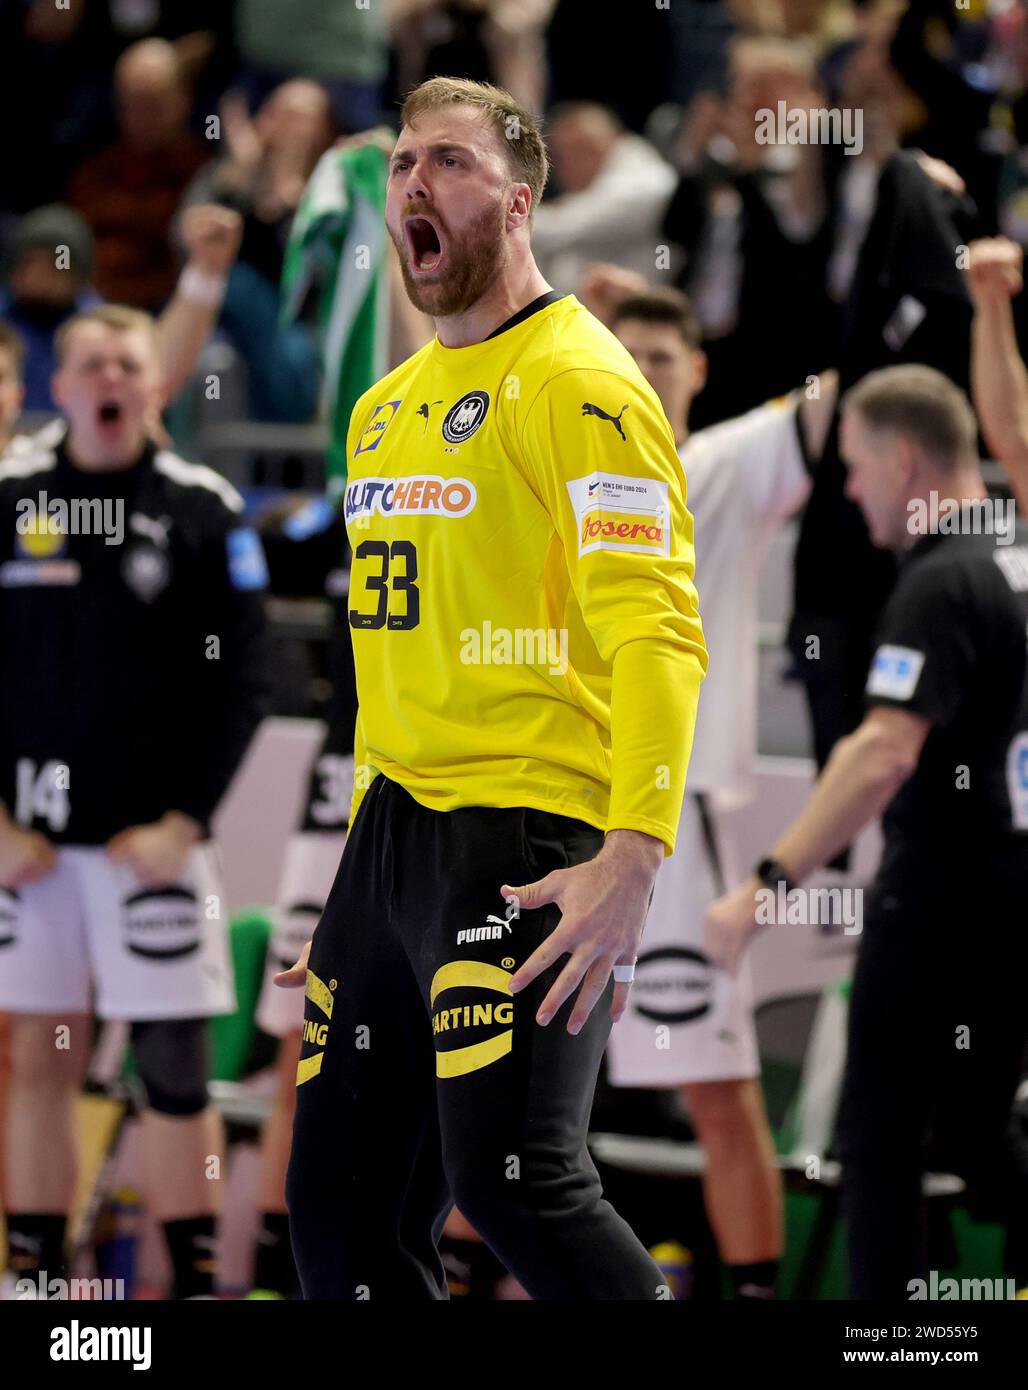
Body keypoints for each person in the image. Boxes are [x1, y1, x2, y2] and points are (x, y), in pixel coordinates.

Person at [274, 75, 707, 1301]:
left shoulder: (580, 380)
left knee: (518, 1181)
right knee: (338, 1221)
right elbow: (383, 657)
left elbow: (657, 633)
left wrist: (633, 849)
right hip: (393, 840)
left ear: (517, 202)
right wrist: (361, 874)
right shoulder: (380, 413)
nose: (415, 182)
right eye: (404, 161)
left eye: (450, 164)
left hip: (524, 834)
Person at [704, 364, 1028, 1300]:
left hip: (942, 906)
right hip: (1012, 910)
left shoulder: (941, 582)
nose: (848, 492)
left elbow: (882, 749)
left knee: (880, 1138)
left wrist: (765, 886)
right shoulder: (1014, 559)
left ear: (904, 460)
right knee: (974, 1131)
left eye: (855, 470)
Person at [0, 304, 270, 1299]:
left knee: (173, 1070)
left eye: (129, 362)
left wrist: (186, 821)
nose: (111, 378)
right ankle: (32, 1280)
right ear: (56, 387)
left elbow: (247, 681)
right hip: (28, 848)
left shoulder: (203, 509)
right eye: (91, 363)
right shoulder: (9, 496)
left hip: (150, 846)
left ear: (154, 385)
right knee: (36, 1057)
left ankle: (194, 1281)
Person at [605, 285, 837, 1300]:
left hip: (669, 828)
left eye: (665, 355)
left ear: (696, 372)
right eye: (628, 353)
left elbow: (843, 393)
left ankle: (749, 1294)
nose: (647, 370)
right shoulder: (543, 468)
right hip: (549, 818)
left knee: (715, 1091)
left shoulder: (718, 467)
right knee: (500, 1090)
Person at [67, 39, 209, 310]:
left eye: (152, 104)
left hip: (166, 309)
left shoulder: (201, 172)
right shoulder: (95, 165)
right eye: (129, 103)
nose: (139, 117)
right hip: (91, 303)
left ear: (183, 99)